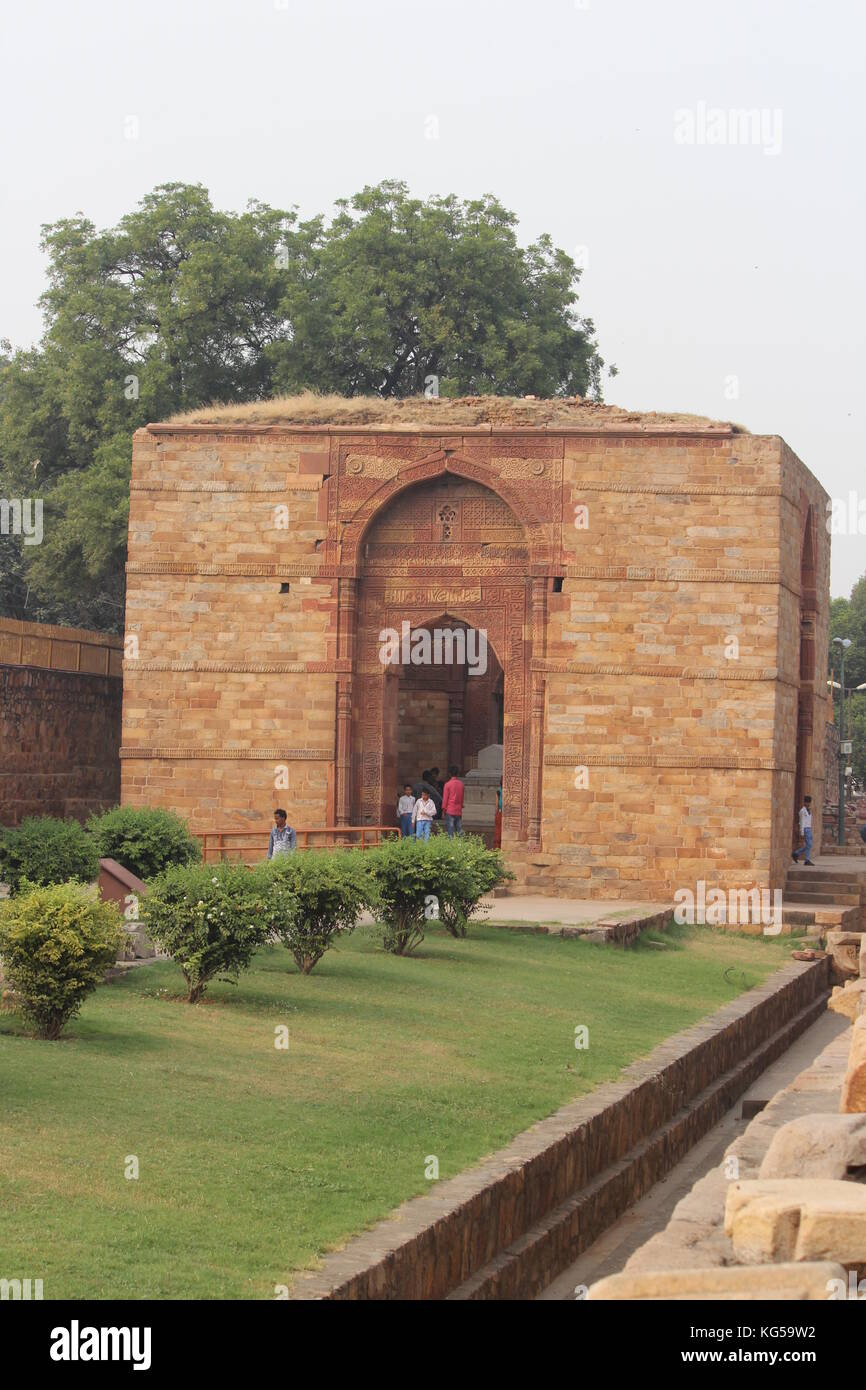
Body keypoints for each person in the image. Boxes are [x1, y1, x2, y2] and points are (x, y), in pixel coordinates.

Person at [441, 764, 465, 836]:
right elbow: (462, 798)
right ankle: (460, 845)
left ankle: (451, 846)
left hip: (450, 810)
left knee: (450, 832)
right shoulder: (461, 784)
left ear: (449, 774)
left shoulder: (447, 784)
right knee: (459, 831)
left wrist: (443, 811)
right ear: (457, 773)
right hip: (458, 810)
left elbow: (445, 799)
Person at [792, 795, 814, 865]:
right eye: (807, 802)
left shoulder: (809, 810)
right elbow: (802, 821)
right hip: (805, 829)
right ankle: (806, 860)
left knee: (809, 845)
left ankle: (796, 853)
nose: (808, 804)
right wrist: (802, 832)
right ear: (804, 802)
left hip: (809, 828)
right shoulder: (802, 811)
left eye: (809, 802)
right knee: (809, 844)